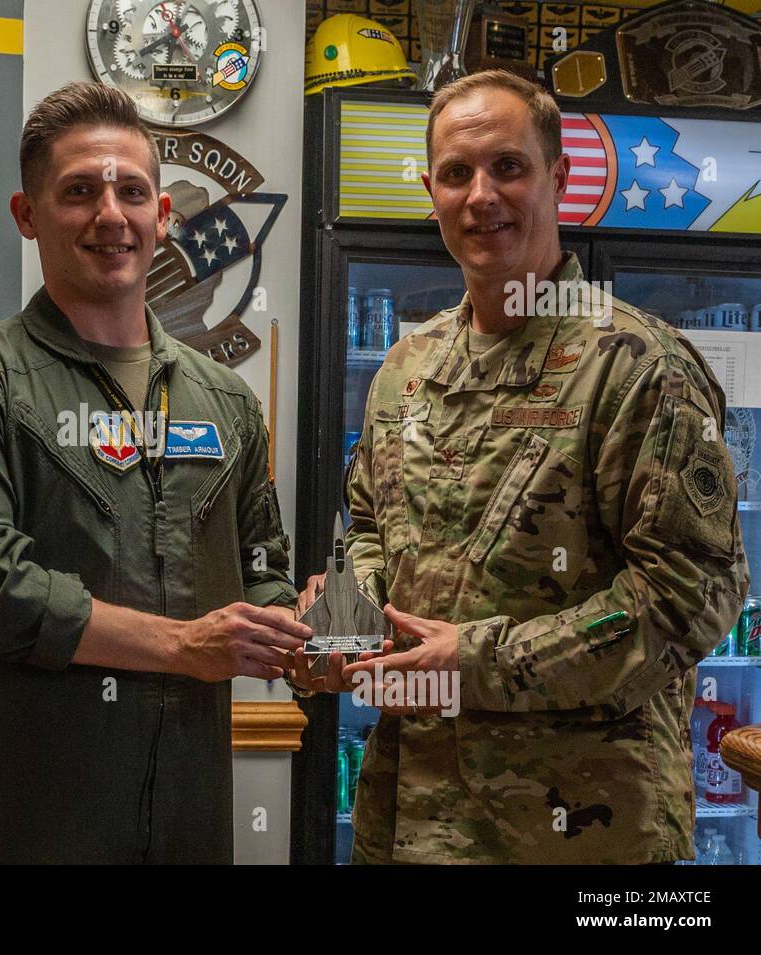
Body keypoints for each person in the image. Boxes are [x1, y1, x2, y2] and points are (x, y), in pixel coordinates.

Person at [289, 69, 749, 863]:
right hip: (407, 821)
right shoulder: (407, 368)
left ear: (560, 178)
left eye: (508, 166)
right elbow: (369, 528)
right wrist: (347, 621)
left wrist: (478, 660)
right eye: (456, 174)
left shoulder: (640, 365)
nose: (481, 196)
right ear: (430, 190)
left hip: (576, 831)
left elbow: (688, 600)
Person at [0, 81, 306, 864]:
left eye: (131, 191)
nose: (110, 214)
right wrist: (184, 645)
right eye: (78, 191)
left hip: (192, 814)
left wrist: (299, 632)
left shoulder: (227, 400)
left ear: (164, 216)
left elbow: (260, 568)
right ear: (27, 215)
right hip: (39, 816)